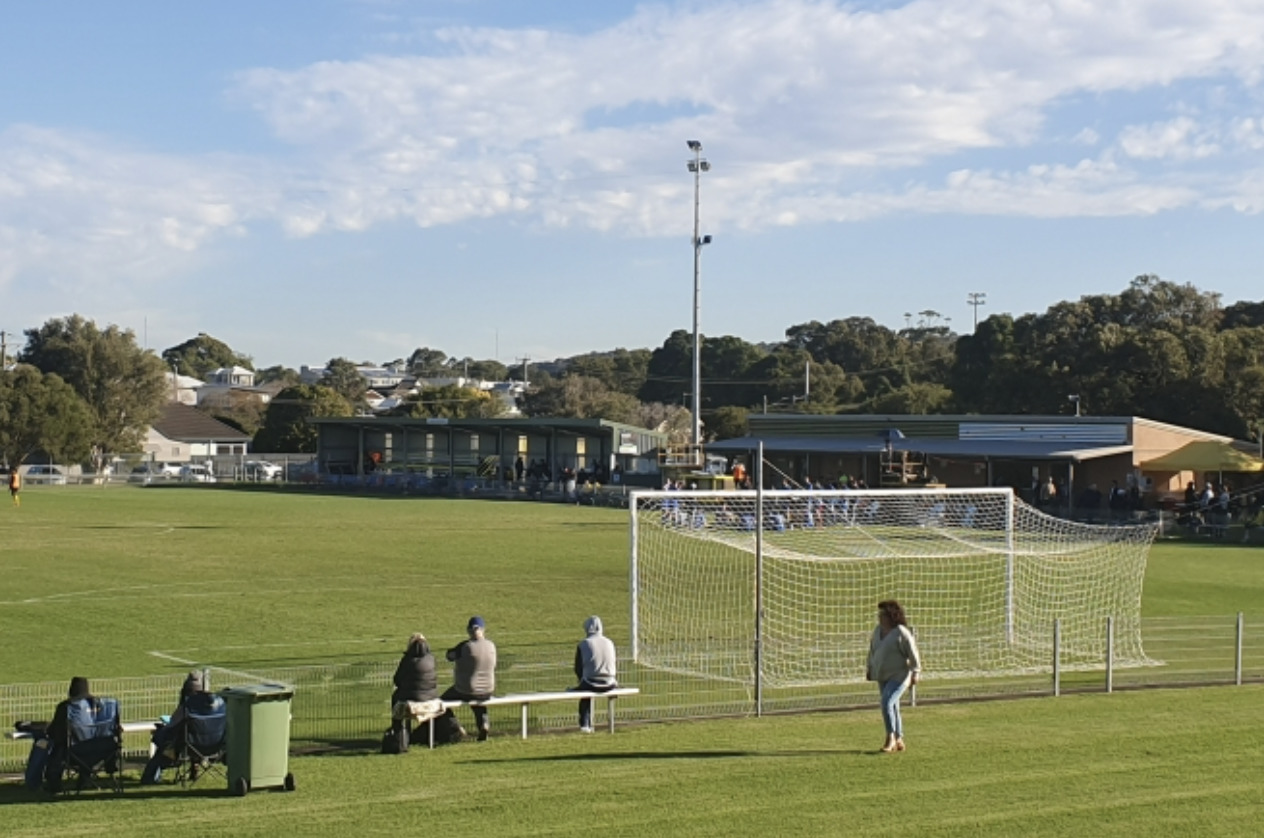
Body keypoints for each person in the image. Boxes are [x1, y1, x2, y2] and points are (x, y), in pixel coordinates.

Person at [141, 671, 226, 784]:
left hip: (189, 747)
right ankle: (193, 769)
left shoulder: (188, 706)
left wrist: (162, 730)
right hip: (215, 746)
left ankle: (151, 776)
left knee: (164, 739)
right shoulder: (220, 704)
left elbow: (172, 724)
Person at [866, 600, 922, 754]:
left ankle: (890, 737)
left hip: (900, 675)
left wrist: (916, 672)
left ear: (891, 616)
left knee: (886, 702)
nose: (880, 617)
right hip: (882, 674)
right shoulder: (877, 631)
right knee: (893, 706)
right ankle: (899, 738)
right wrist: (869, 667)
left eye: (883, 614)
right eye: (879, 614)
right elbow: (872, 651)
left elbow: (913, 653)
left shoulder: (901, 632)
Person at [440, 616, 497, 741]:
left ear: (468, 631)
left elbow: (449, 656)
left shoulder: (465, 646)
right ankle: (484, 724)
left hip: (466, 689)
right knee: (479, 703)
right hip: (488, 689)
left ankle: (456, 727)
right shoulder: (491, 646)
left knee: (442, 703)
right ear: (483, 629)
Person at [389, 633, 440, 746]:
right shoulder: (431, 659)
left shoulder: (407, 660)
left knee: (395, 697)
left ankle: (397, 731)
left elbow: (397, 679)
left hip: (411, 700)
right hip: (431, 699)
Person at [573, 616, 617, 733]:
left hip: (590, 683)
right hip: (611, 683)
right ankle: (610, 723)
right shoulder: (610, 642)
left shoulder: (583, 644)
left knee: (584, 694)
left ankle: (584, 724)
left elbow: (578, 668)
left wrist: (581, 680)